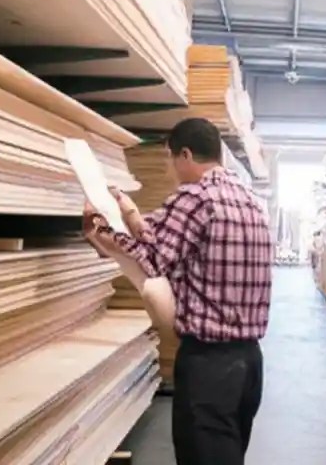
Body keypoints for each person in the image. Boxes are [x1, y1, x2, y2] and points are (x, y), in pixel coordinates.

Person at [83, 117, 273, 465]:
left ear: (185, 155)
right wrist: (129, 215)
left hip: (208, 365)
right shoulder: (250, 203)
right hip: (248, 363)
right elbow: (170, 236)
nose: (170, 171)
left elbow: (154, 261)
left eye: (170, 160)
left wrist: (103, 232)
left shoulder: (196, 197)